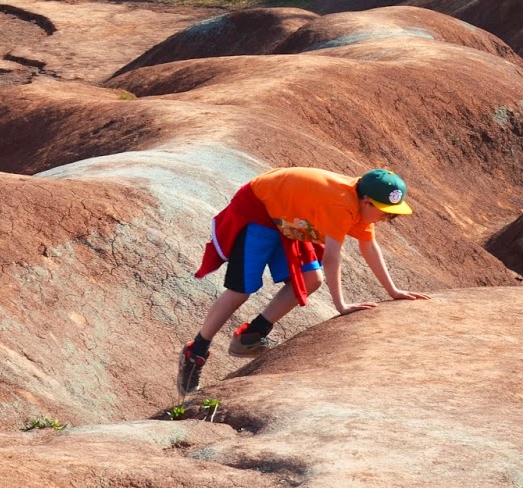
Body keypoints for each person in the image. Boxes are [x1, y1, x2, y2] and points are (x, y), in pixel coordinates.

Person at [178, 167, 431, 394]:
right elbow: (332, 258)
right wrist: (341, 306)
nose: (387, 219)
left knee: (312, 279)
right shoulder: (342, 206)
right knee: (241, 290)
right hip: (258, 208)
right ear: (366, 202)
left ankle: (251, 336)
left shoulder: (362, 206)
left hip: (288, 215)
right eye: (386, 213)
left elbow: (369, 247)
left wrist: (393, 290)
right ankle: (196, 351)